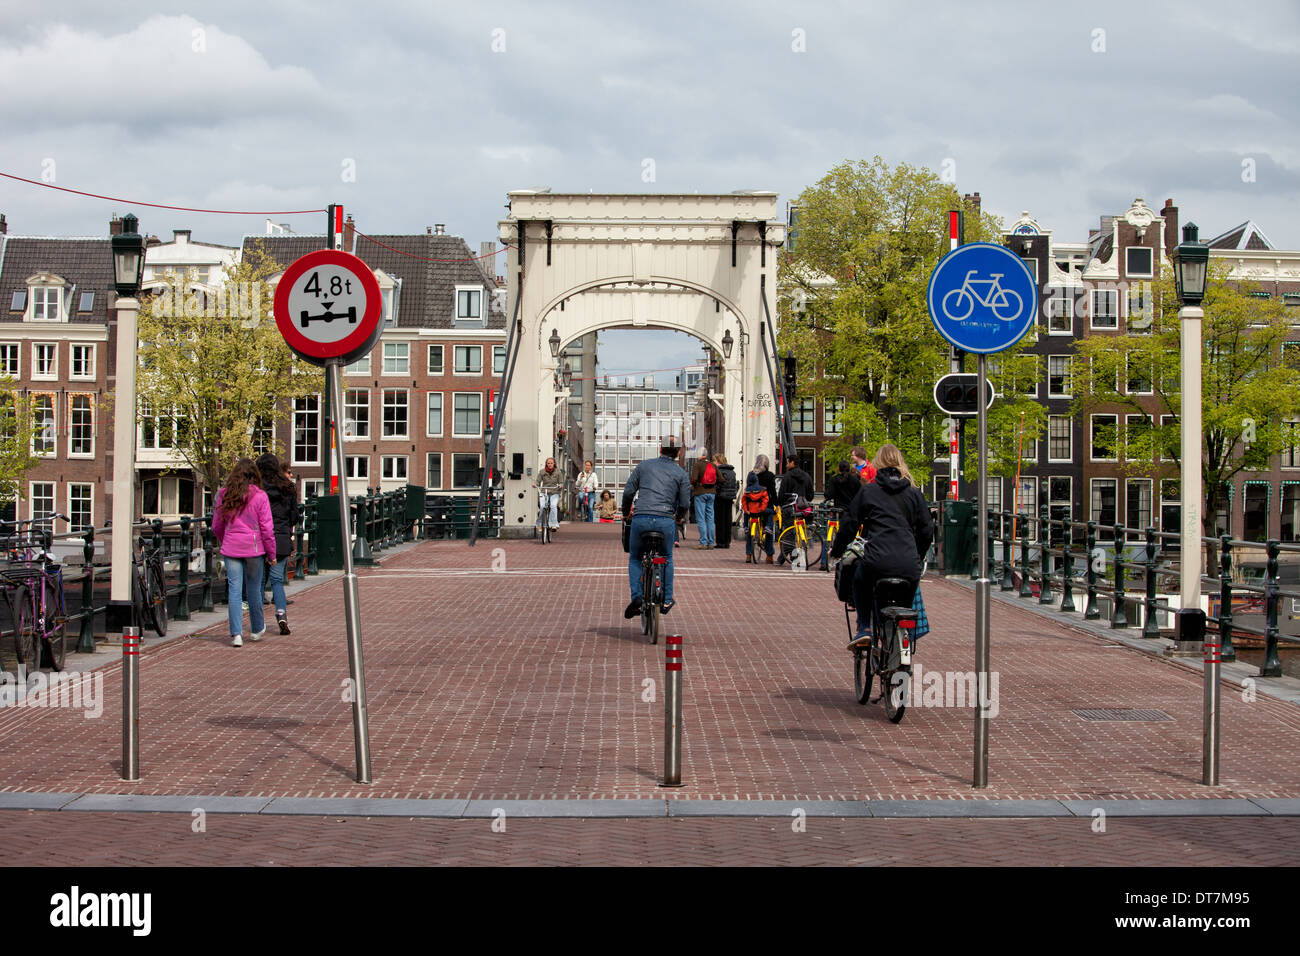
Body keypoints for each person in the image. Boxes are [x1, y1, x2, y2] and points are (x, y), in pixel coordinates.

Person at [829, 443, 933, 647]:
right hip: (909, 565)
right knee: (905, 604)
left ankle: (864, 627)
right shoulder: (914, 492)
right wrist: (917, 557)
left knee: (859, 581)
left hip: (876, 561)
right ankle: (902, 644)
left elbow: (850, 524)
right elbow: (927, 530)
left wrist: (838, 550)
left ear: (878, 464)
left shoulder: (869, 491)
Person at [622, 438, 691, 618]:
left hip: (641, 517)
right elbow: (684, 502)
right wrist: (679, 517)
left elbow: (629, 491)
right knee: (666, 556)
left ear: (660, 449)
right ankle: (667, 598)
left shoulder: (644, 466)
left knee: (636, 558)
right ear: (678, 453)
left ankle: (637, 597)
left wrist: (625, 512)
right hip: (665, 520)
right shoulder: (681, 473)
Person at [212, 459, 276, 647]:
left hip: (231, 546)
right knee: (254, 588)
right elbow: (267, 528)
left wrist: (226, 538)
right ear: (254, 476)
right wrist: (271, 554)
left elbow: (216, 524)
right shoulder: (260, 496)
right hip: (254, 548)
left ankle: (236, 634)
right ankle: (256, 629)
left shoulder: (224, 494)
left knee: (234, 590)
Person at [257, 452, 297, 635]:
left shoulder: (257, 489)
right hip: (280, 539)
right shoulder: (288, 488)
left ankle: (258, 622)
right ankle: (281, 613)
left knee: (258, 581)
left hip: (259, 539)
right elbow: (294, 517)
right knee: (276, 580)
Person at [743, 454, 778, 564]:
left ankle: (748, 554)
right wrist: (776, 505)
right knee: (769, 528)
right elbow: (772, 493)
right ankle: (769, 555)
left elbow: (747, 490)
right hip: (764, 507)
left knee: (749, 530)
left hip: (751, 508)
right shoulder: (770, 475)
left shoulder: (751, 474)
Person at [689, 449, 718, 549]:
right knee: (710, 518)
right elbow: (721, 478)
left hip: (700, 493)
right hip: (712, 493)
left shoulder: (698, 465)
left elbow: (694, 479)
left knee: (701, 518)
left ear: (699, 455)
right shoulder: (713, 465)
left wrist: (694, 484)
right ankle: (711, 542)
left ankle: (703, 542)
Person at [712, 453, 738, 549]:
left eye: (714, 461)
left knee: (720, 520)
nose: (713, 463)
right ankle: (727, 541)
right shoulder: (732, 472)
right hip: (730, 497)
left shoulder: (719, 471)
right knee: (728, 520)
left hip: (720, 497)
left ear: (718, 461)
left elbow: (718, 484)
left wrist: (715, 490)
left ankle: (720, 542)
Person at [535, 457, 562, 533]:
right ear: (546, 464)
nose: (550, 464)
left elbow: (561, 482)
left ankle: (553, 524)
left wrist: (560, 485)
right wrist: (535, 485)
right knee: (542, 507)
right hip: (544, 491)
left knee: (553, 506)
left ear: (554, 464)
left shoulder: (558, 472)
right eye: (548, 463)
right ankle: (539, 524)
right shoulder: (542, 472)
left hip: (554, 492)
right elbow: (538, 481)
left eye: (551, 463)